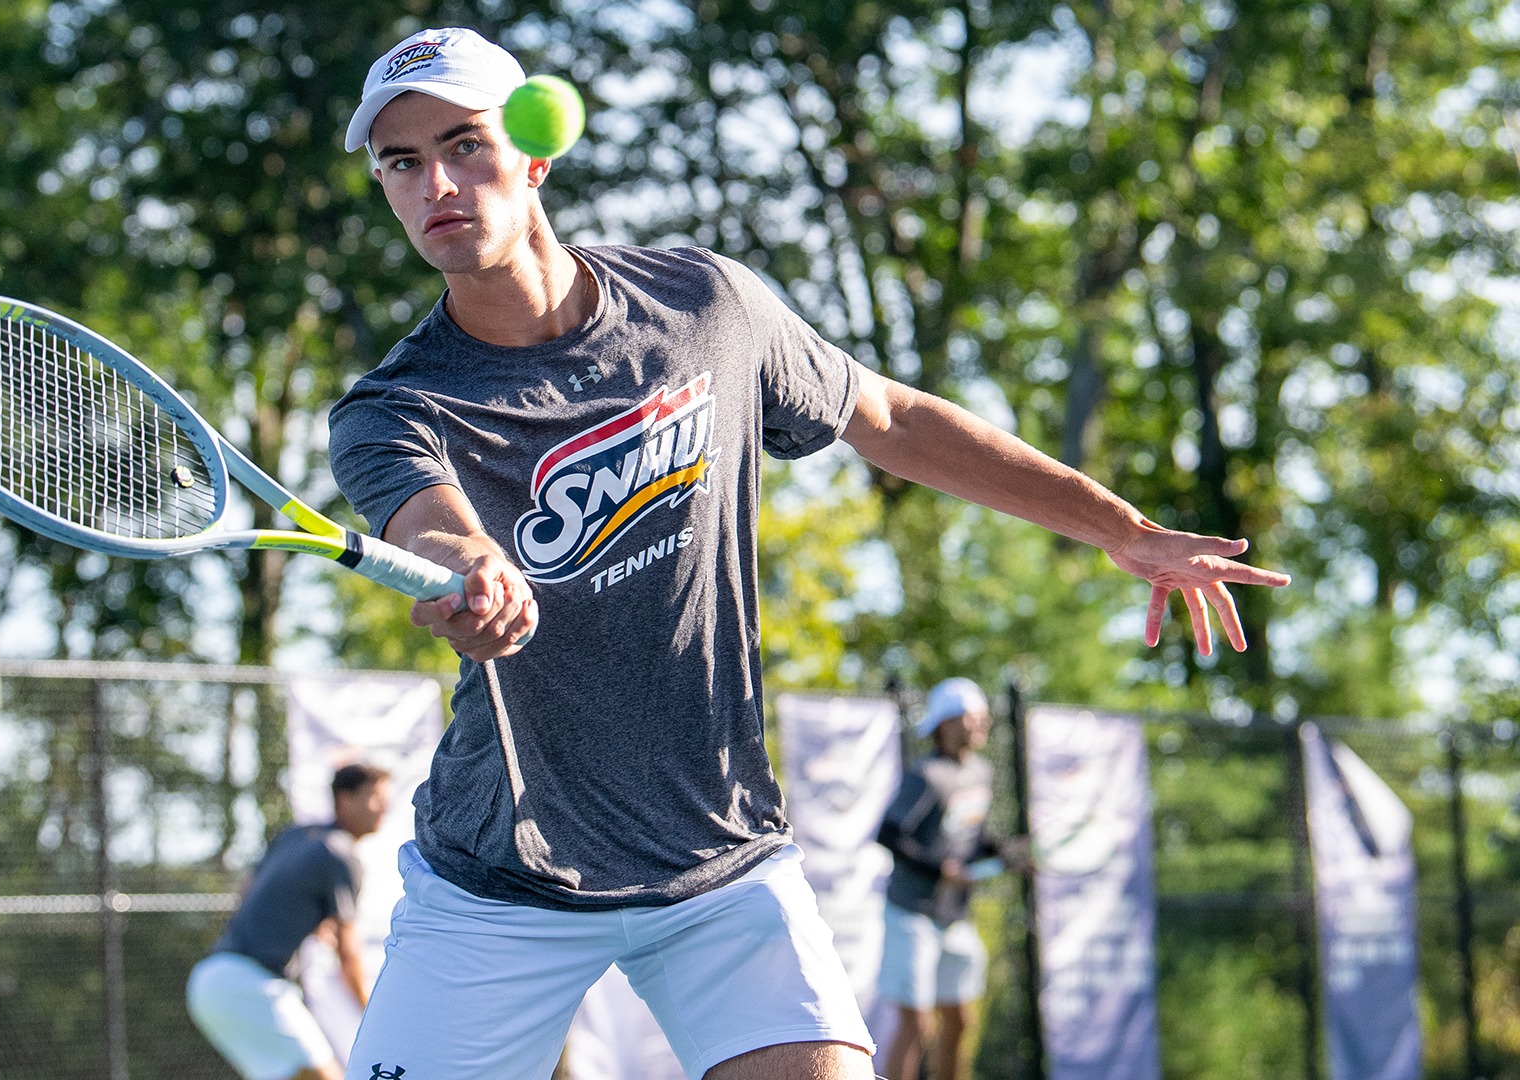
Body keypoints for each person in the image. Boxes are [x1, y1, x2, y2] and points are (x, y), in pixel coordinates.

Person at [325, 26, 1290, 1080]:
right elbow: (432, 522)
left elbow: (889, 416)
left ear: (534, 152)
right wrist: (473, 566)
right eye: (401, 163)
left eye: (463, 145)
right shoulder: (393, 406)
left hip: (721, 865)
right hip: (499, 887)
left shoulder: (706, 307)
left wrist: (1126, 530)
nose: (437, 185)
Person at [186, 763, 392, 1080]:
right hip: (250, 983)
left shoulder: (295, 836)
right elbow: (348, 955)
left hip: (209, 980)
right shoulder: (341, 856)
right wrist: (374, 1017)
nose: (384, 807)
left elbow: (250, 889)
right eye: (374, 797)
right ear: (344, 800)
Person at [876, 677, 1028, 1080]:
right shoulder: (926, 775)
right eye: (972, 716)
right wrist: (941, 870)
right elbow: (889, 834)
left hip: (954, 917)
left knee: (961, 1020)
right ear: (945, 723)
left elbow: (970, 837)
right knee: (917, 1025)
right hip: (912, 914)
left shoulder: (981, 771)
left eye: (983, 716)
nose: (982, 723)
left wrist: (1005, 853)